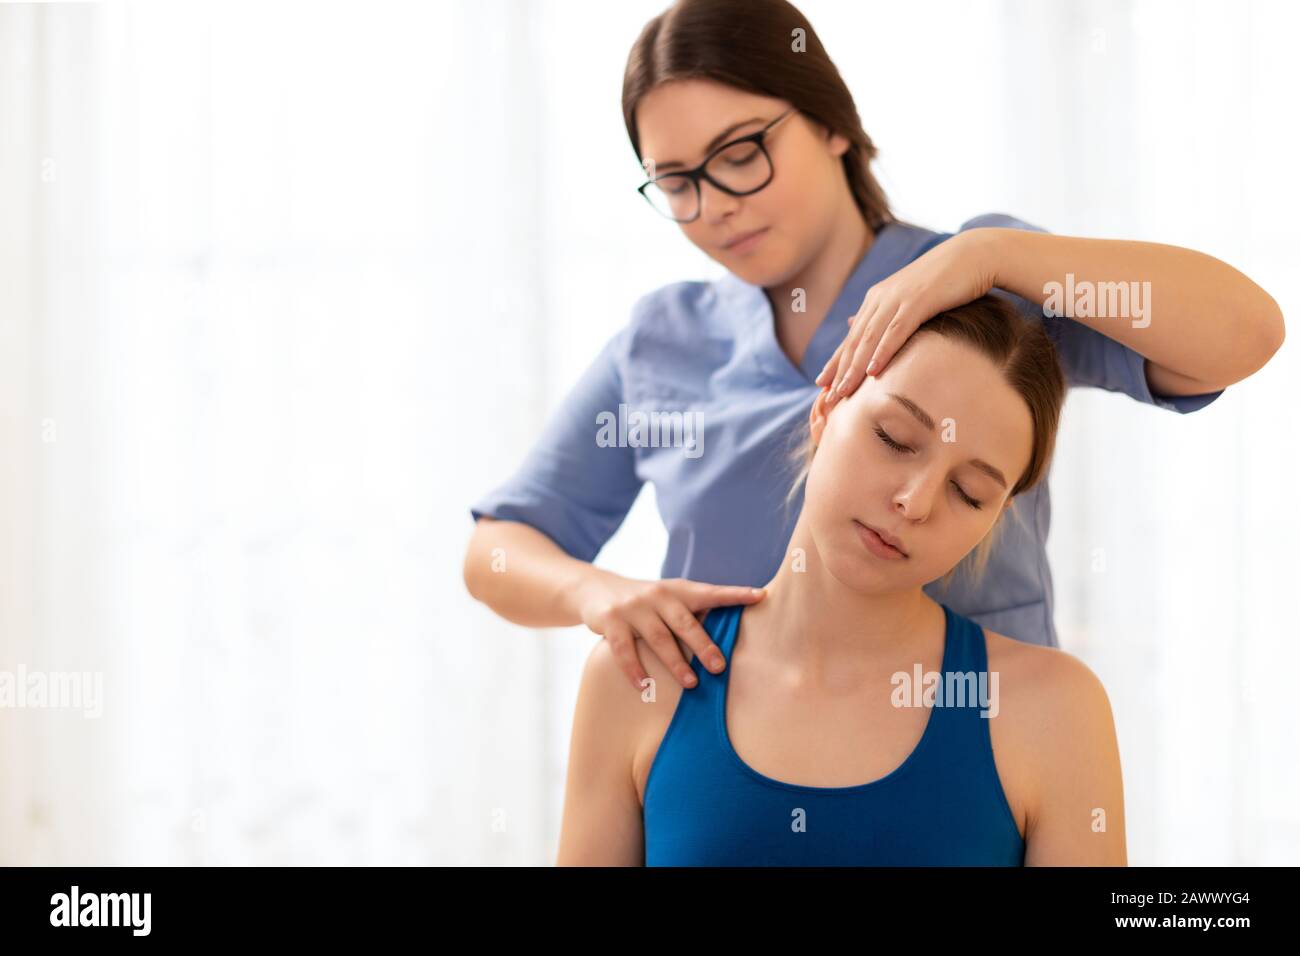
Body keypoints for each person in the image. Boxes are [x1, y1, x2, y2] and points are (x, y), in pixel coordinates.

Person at [463, 0, 1283, 695]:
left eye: (741, 154)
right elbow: (497, 550)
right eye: (677, 182)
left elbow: (1244, 334)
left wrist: (992, 256)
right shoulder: (662, 342)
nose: (715, 205)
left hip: (976, 767)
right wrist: (599, 596)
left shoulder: (984, 289)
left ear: (830, 126)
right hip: (727, 777)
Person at [556, 296, 1125, 865]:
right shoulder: (638, 674)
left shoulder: (1054, 710)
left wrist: (987, 251)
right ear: (825, 409)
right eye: (894, 439)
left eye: (969, 493)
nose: (915, 502)